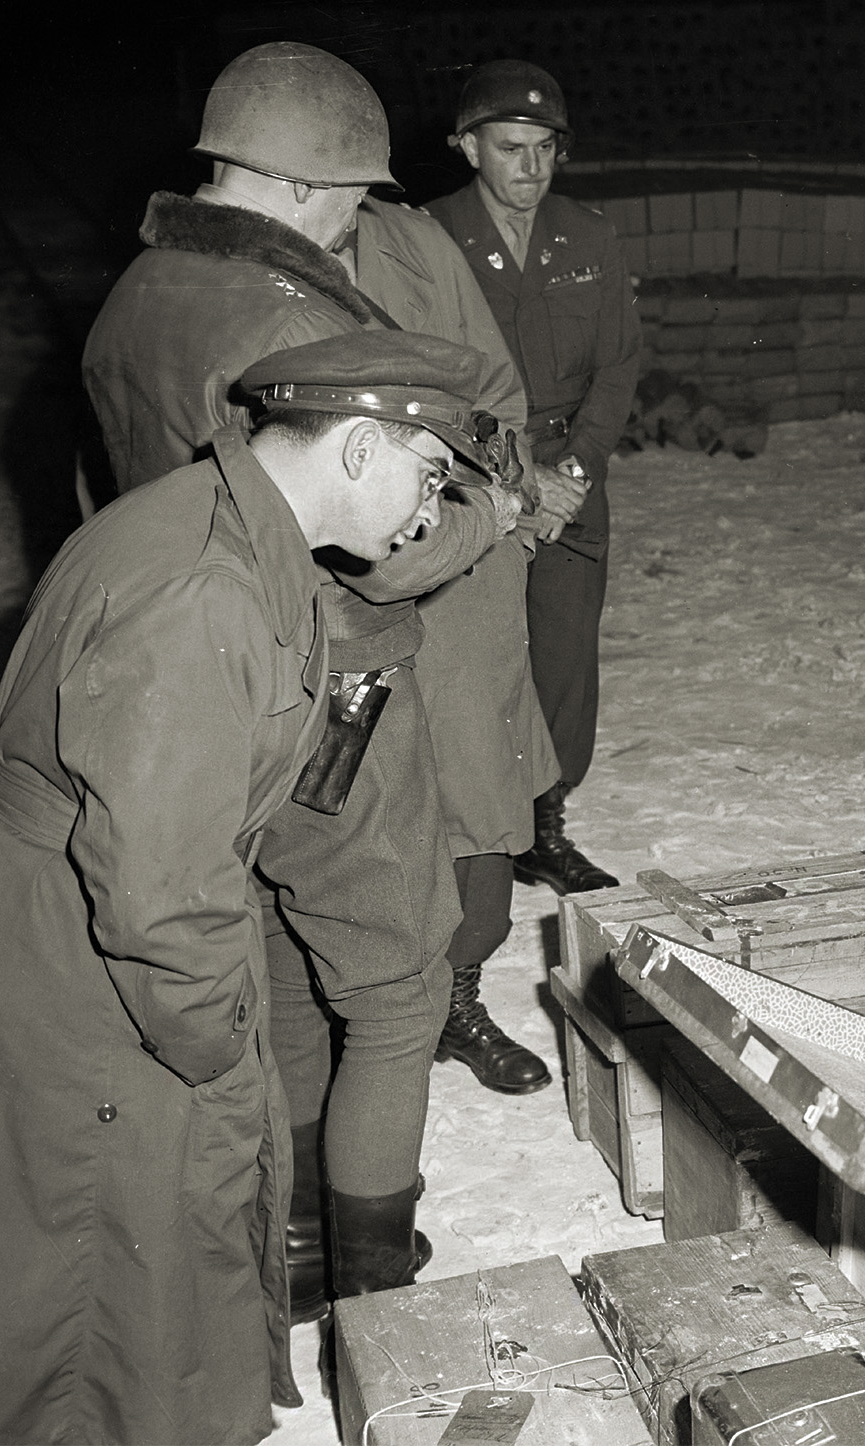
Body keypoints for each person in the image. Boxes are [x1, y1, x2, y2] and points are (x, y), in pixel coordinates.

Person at [0, 331, 470, 1444]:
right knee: (104, 1260)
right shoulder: (205, 594)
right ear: (363, 447)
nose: (429, 519)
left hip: (67, 918)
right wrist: (219, 1046)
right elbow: (155, 893)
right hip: (82, 963)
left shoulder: (216, 524)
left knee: (99, 1257)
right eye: (430, 478)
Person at [80, 41, 520, 1325]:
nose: (353, 218)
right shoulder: (298, 325)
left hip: (196, 692)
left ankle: (294, 1248)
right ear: (288, 180)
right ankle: (378, 1279)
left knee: (279, 962)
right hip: (332, 695)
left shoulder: (131, 299)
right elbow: (391, 553)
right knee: (394, 983)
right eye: (344, 193)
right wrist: (486, 513)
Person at [343, 194, 579, 1098]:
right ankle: (380, 1009)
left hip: (458, 554)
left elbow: (494, 396)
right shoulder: (245, 283)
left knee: (477, 780)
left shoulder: (409, 240)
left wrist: (502, 501)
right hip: (326, 576)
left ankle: (460, 1000)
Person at [427, 59, 644, 895]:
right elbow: (440, 380)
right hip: (470, 476)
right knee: (473, 657)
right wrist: (520, 483)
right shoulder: (428, 237)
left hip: (571, 474)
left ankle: (544, 828)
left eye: (545, 149)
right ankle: (475, 832)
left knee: (561, 656)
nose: (531, 168)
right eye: (511, 148)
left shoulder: (587, 236)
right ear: (467, 147)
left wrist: (575, 472)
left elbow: (619, 367)